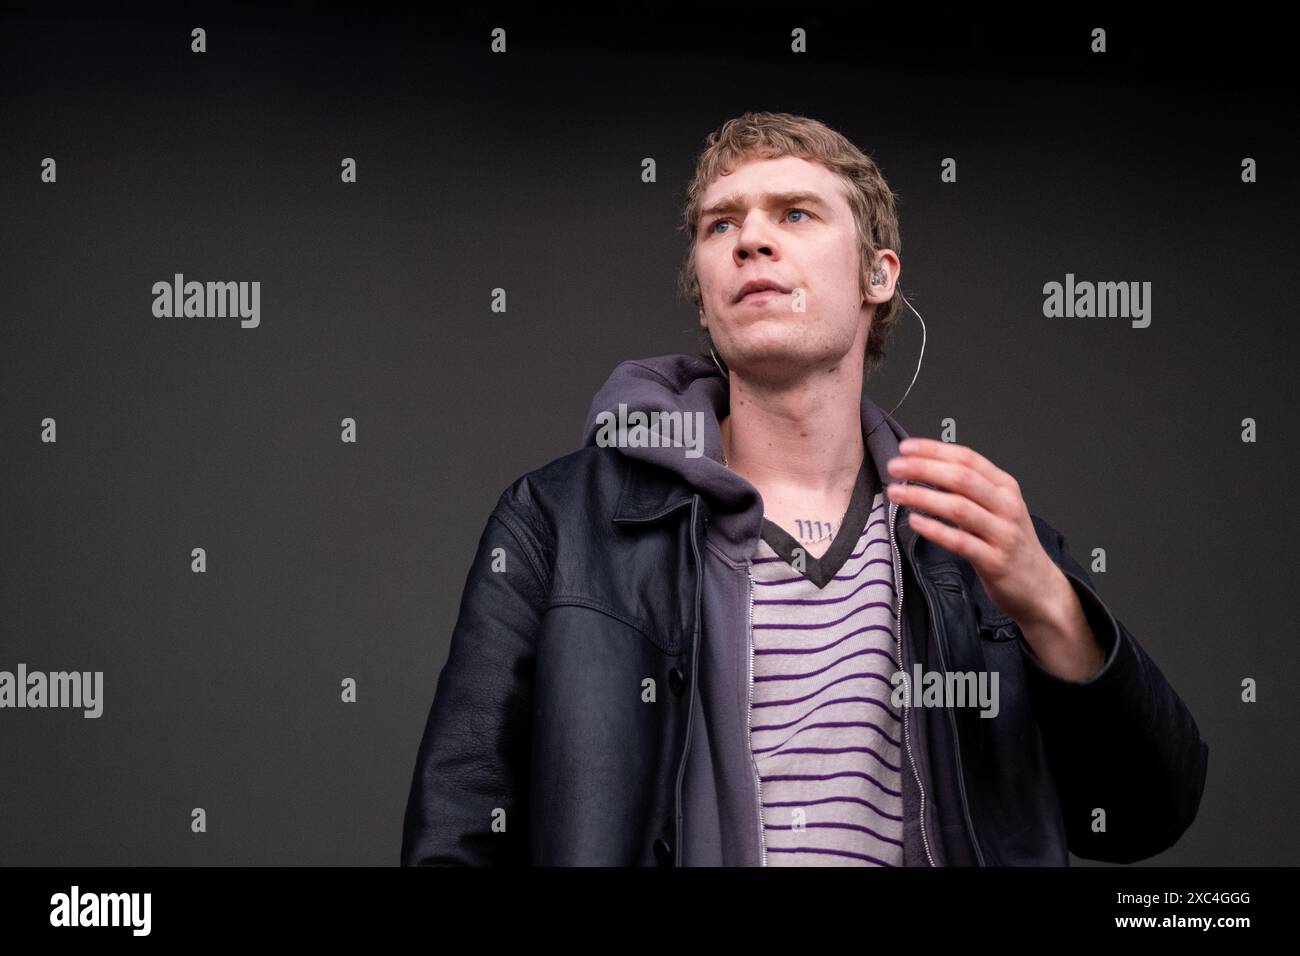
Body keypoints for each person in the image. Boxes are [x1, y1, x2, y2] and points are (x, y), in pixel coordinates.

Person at [400, 111, 1208, 866]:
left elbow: (1146, 811)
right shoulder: (560, 520)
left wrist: (1048, 603)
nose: (750, 239)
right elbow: (459, 826)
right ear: (705, 295)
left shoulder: (976, 536)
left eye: (794, 214)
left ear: (878, 274)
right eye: (722, 224)